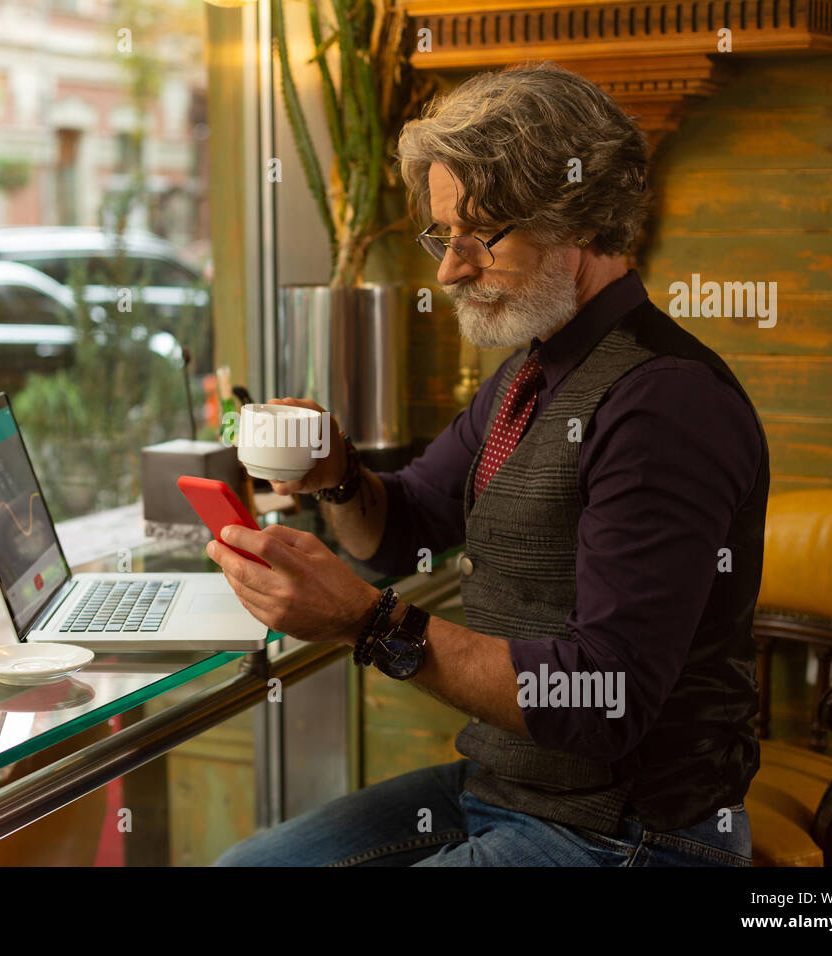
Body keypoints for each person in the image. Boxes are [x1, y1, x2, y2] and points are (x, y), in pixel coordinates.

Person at [209, 63, 767, 866]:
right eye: (443, 234)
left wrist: (370, 625)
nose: (448, 269)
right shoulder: (531, 372)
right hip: (501, 790)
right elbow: (401, 532)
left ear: (574, 221)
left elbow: (601, 697)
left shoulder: (663, 406)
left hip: (633, 830)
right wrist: (336, 471)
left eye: (482, 236)